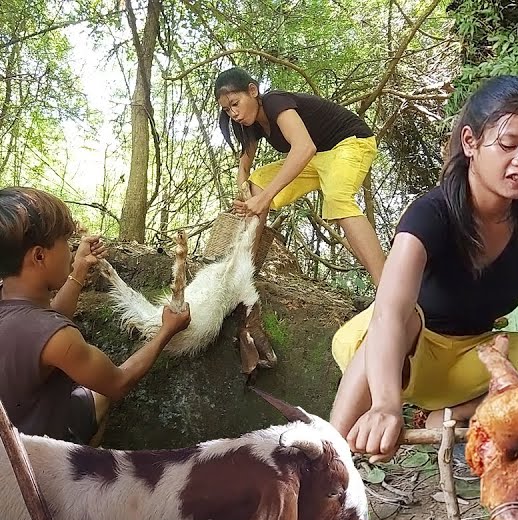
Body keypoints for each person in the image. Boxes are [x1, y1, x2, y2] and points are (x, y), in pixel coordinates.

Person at [329, 75, 518, 464]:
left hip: (474, 358)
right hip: (399, 356)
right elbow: (389, 315)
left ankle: (456, 413)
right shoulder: (430, 215)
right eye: (508, 145)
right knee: (408, 317)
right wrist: (385, 404)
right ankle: (328, 452)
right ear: (471, 142)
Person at [0, 187, 191, 444]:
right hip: (32, 456)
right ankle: (83, 457)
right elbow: (118, 382)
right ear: (39, 256)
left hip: (10, 432)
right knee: (100, 395)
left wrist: (79, 269)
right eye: (65, 243)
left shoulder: (16, 306)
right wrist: (166, 331)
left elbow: (43, 323)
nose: (70, 251)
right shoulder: (58, 337)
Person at [214, 67, 386, 285]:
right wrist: (245, 196)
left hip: (349, 143)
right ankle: (243, 272)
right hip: (316, 157)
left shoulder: (275, 102)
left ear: (253, 91)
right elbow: (244, 169)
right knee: (257, 182)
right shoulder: (250, 125)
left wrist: (265, 198)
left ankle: (386, 287)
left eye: (235, 103)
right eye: (227, 110)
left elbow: (304, 147)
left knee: (337, 199)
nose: (233, 113)